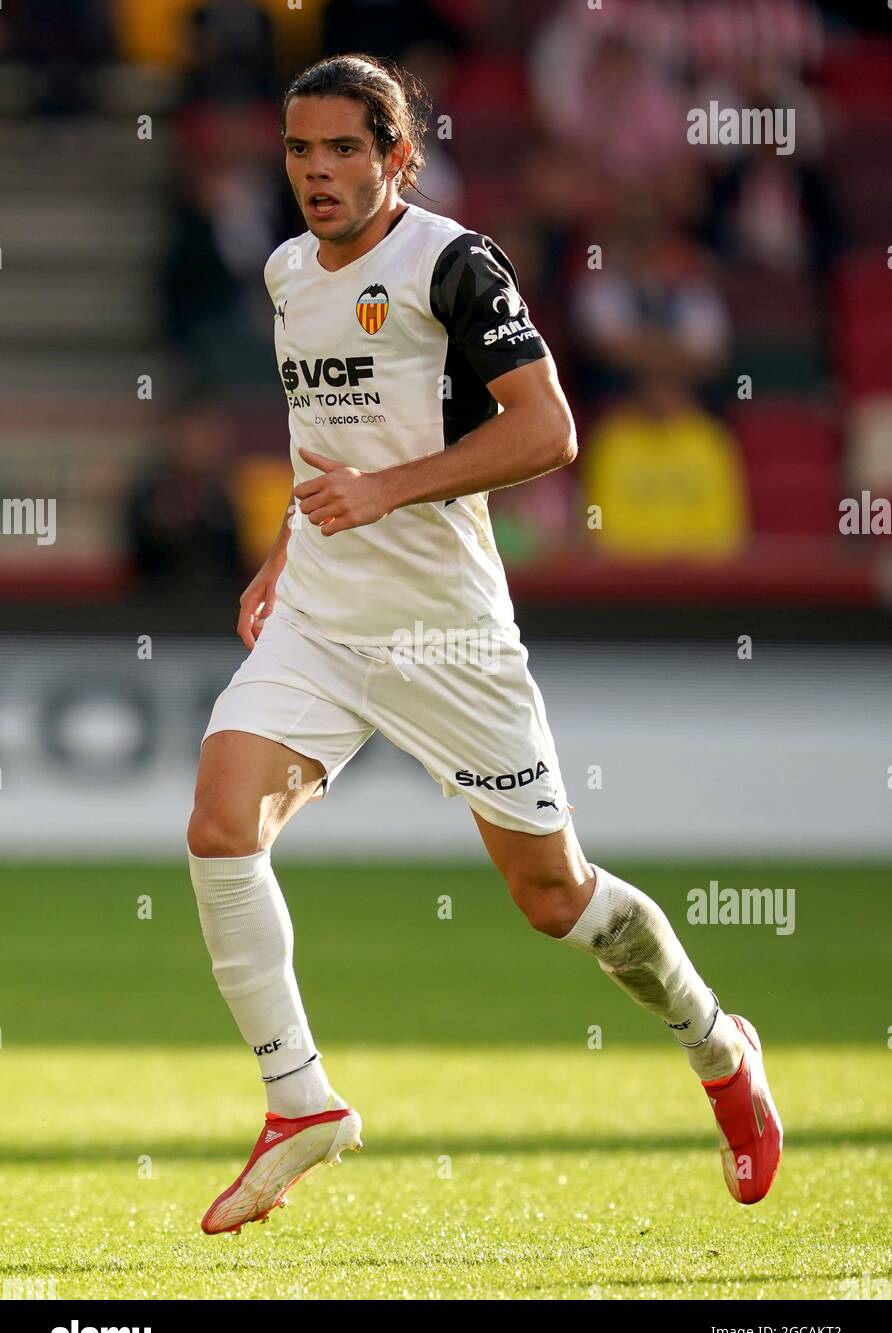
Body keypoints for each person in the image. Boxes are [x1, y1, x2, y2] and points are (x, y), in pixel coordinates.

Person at [187, 53, 782, 1236]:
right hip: (324, 616)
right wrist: (283, 554)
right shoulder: (287, 272)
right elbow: (325, 442)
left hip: (447, 633)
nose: (317, 171)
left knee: (554, 897)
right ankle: (298, 1099)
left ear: (398, 155)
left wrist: (394, 488)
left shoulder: (452, 263)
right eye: (300, 150)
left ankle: (718, 1045)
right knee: (218, 825)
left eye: (344, 149)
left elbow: (549, 430)